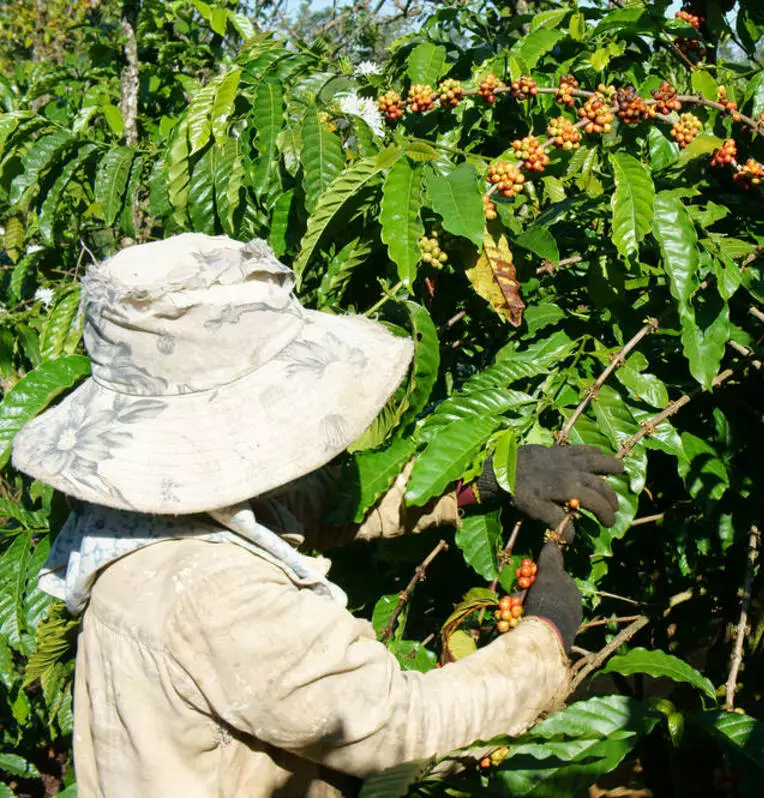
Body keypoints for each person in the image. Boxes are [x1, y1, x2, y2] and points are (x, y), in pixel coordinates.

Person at [10, 233, 624, 797]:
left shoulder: (135, 518)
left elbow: (302, 505)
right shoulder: (214, 592)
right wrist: (545, 638)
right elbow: (403, 730)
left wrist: (475, 484)